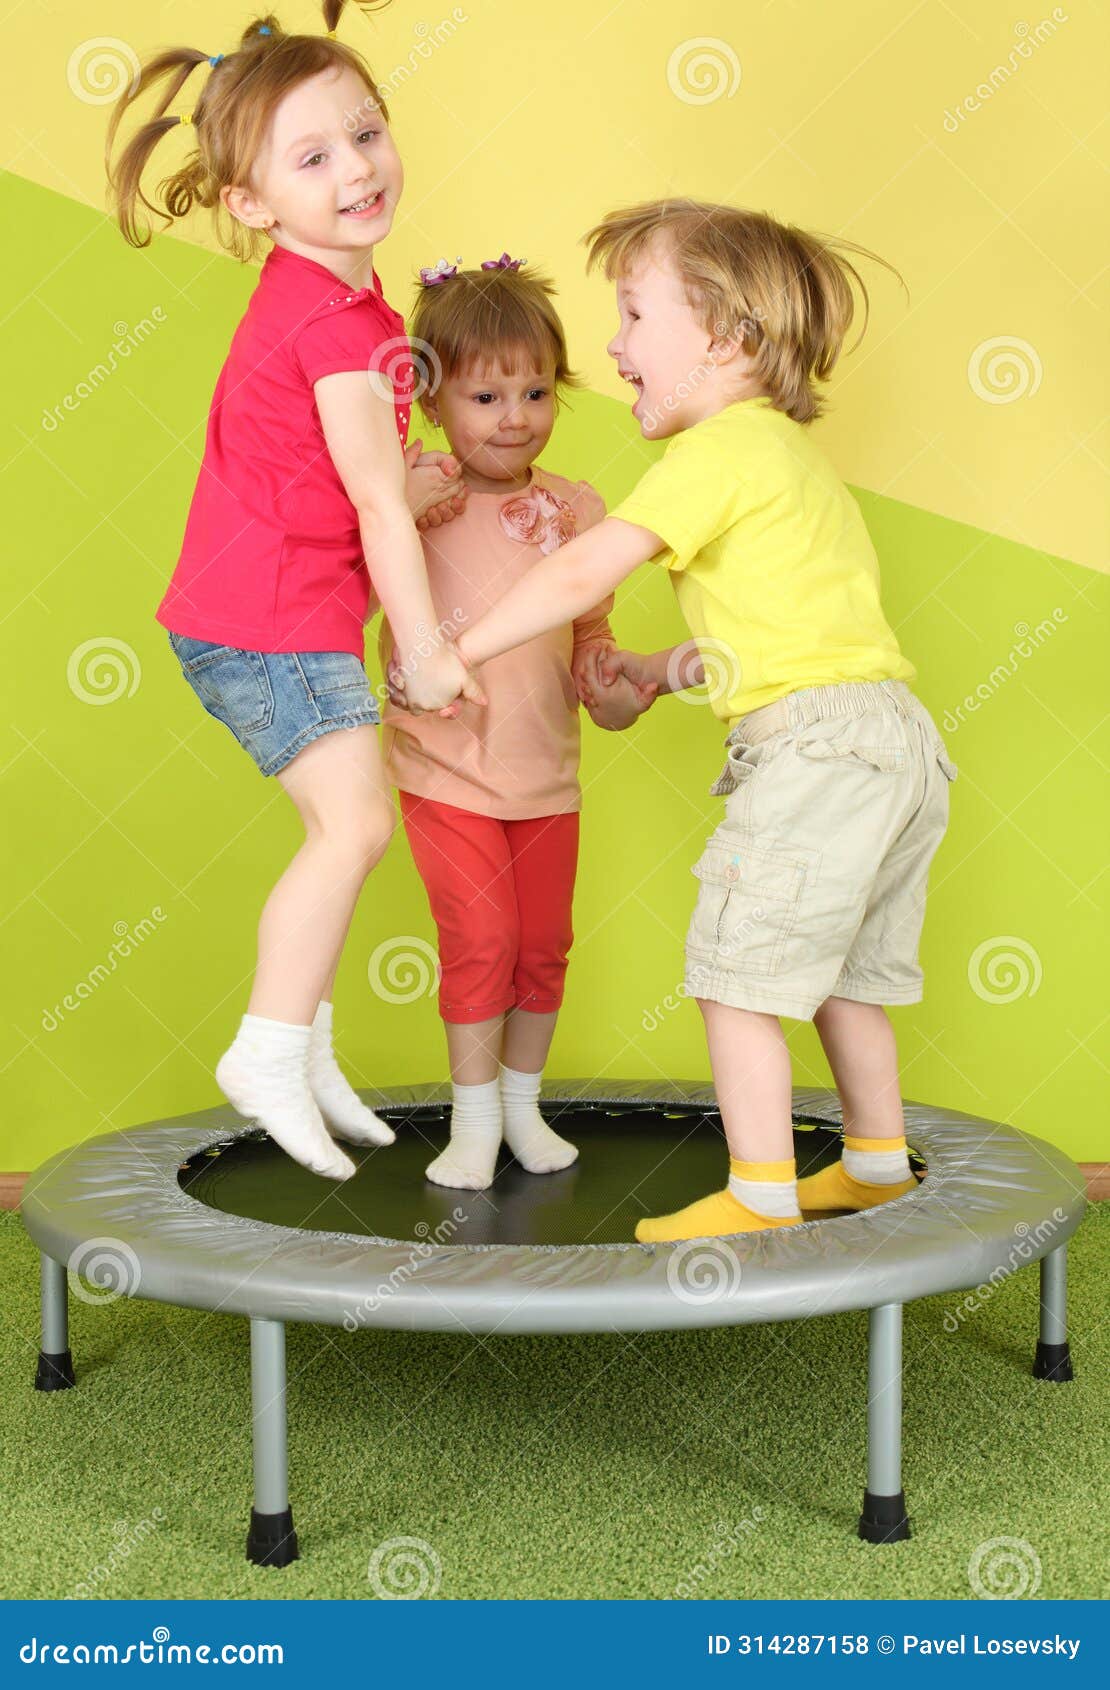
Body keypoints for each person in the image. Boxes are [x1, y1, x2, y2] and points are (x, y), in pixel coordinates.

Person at [404, 197, 957, 1241]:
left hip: (816, 744)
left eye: (632, 316)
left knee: (734, 973)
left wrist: (456, 650)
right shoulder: (788, 455)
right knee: (843, 971)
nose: (612, 350)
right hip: (895, 739)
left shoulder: (717, 451)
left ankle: (758, 1193)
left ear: (725, 338)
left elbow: (582, 567)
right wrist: (659, 670)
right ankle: (876, 1162)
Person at [105, 5, 480, 1181]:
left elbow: (345, 476)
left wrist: (405, 483)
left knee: (341, 828)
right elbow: (371, 507)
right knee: (358, 823)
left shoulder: (335, 303)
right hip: (265, 625)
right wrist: (425, 652)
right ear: (253, 204)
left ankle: (304, 1050)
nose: (358, 168)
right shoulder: (331, 321)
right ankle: (267, 1050)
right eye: (313, 158)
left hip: (269, 614)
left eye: (366, 133)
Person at [380, 255, 642, 1190]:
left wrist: (615, 688)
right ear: (434, 400)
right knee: (481, 941)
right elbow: (352, 593)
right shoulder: (410, 495)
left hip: (546, 777)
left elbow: (591, 641)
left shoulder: (573, 510)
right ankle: (472, 1120)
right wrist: (399, 512)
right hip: (444, 770)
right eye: (487, 397)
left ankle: (523, 1110)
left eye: (535, 391)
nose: (515, 416)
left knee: (542, 948)